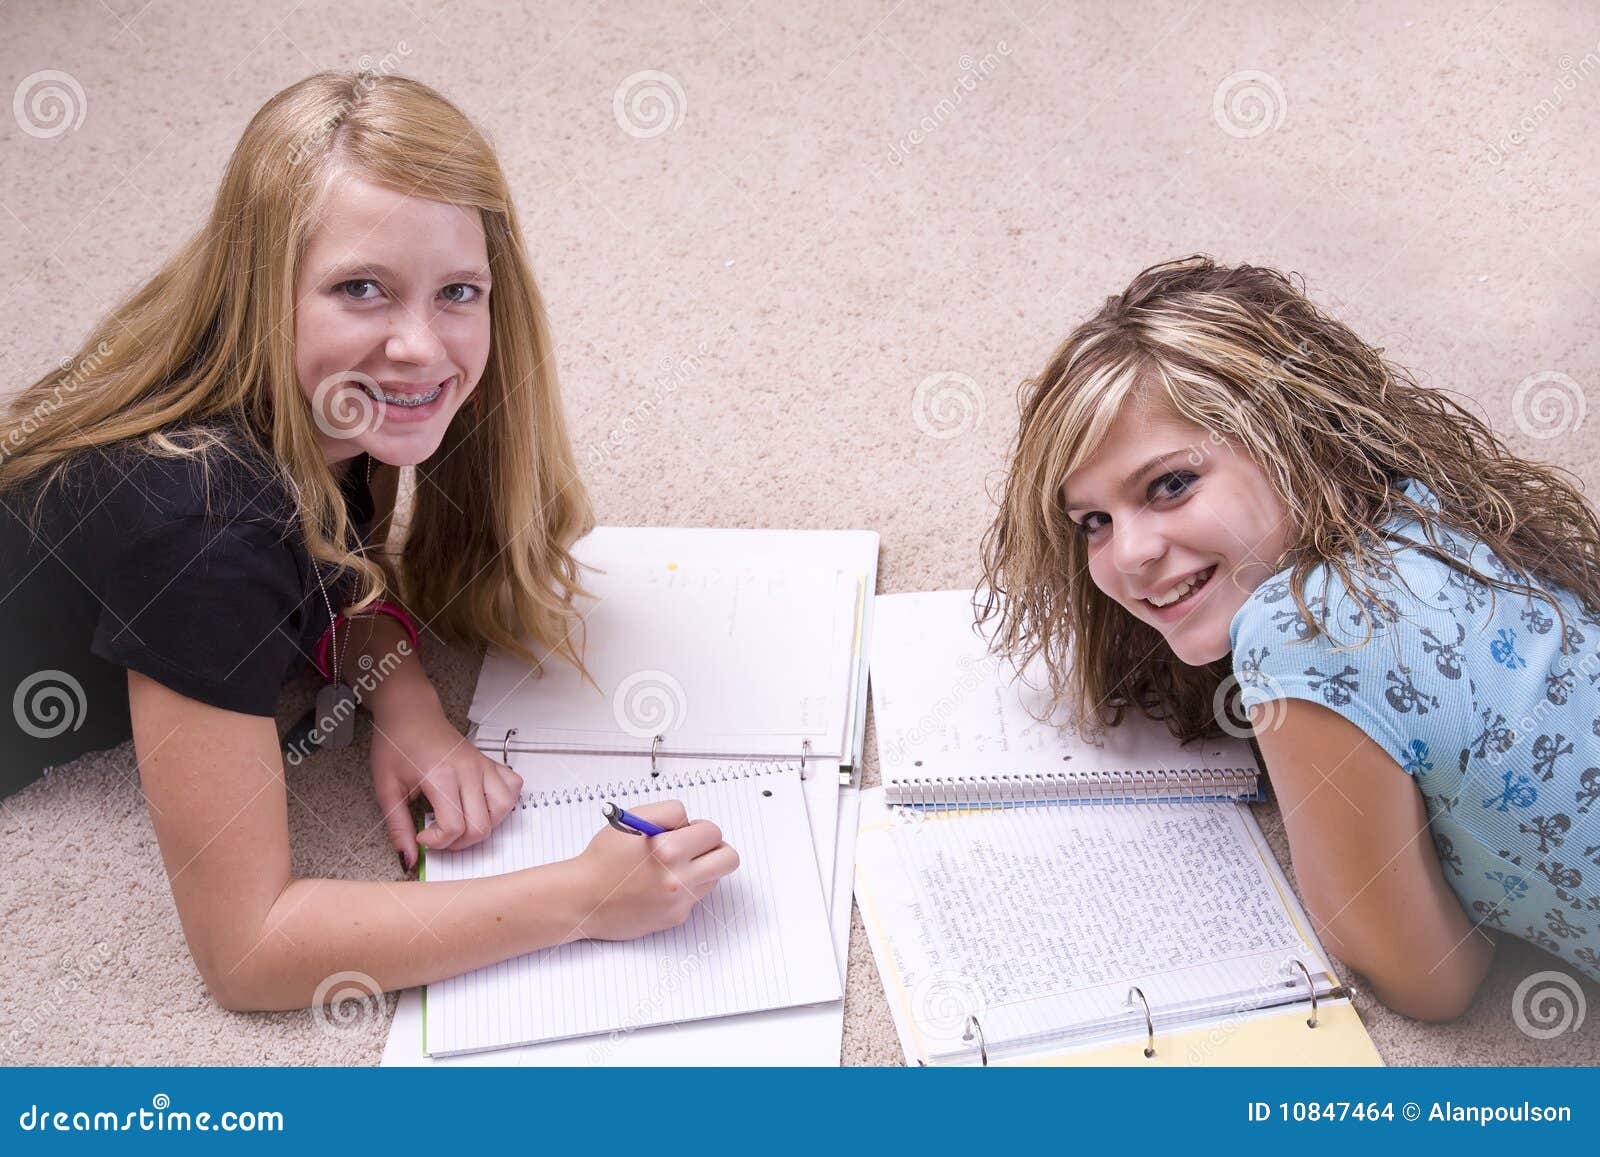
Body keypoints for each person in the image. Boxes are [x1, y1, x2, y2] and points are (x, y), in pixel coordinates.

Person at [0, 71, 737, 1012]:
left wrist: (405, 697)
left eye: (458, 291)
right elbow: (249, 950)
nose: (422, 347)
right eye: (362, 289)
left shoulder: (305, 389)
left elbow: (331, 558)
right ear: (263, 283)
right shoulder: (201, 527)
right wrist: (582, 897)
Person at [979, 254, 1600, 1020]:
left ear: (1295, 438)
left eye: (1171, 484)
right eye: (1093, 522)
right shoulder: (1427, 513)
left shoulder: (1301, 628)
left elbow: (1433, 977)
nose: (1131, 552)